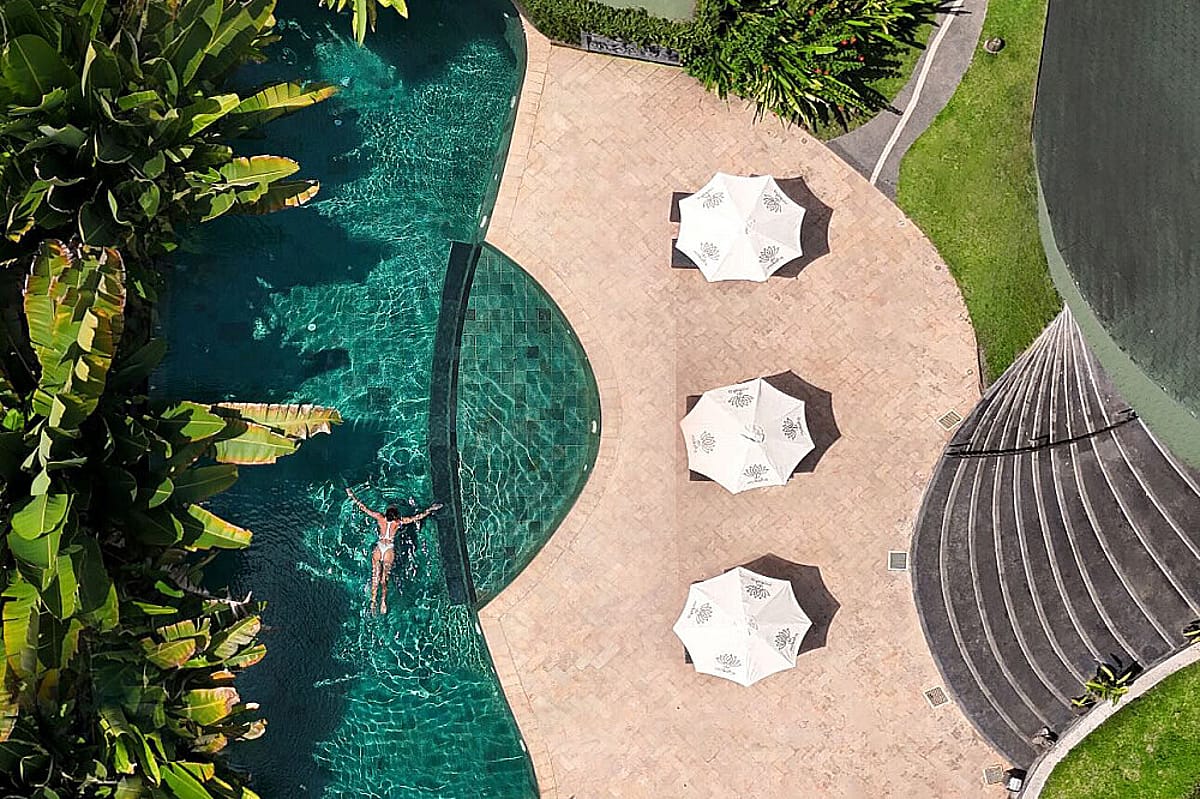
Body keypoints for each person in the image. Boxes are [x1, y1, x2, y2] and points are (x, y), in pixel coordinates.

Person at [346, 488, 442, 614]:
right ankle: (383, 601)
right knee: (384, 578)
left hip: (379, 548)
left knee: (375, 576)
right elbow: (416, 517)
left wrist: (352, 496)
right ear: (396, 515)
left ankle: (373, 601)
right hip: (389, 550)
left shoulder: (379, 517)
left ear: (386, 513)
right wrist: (430, 509)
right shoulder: (398, 522)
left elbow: (364, 508)